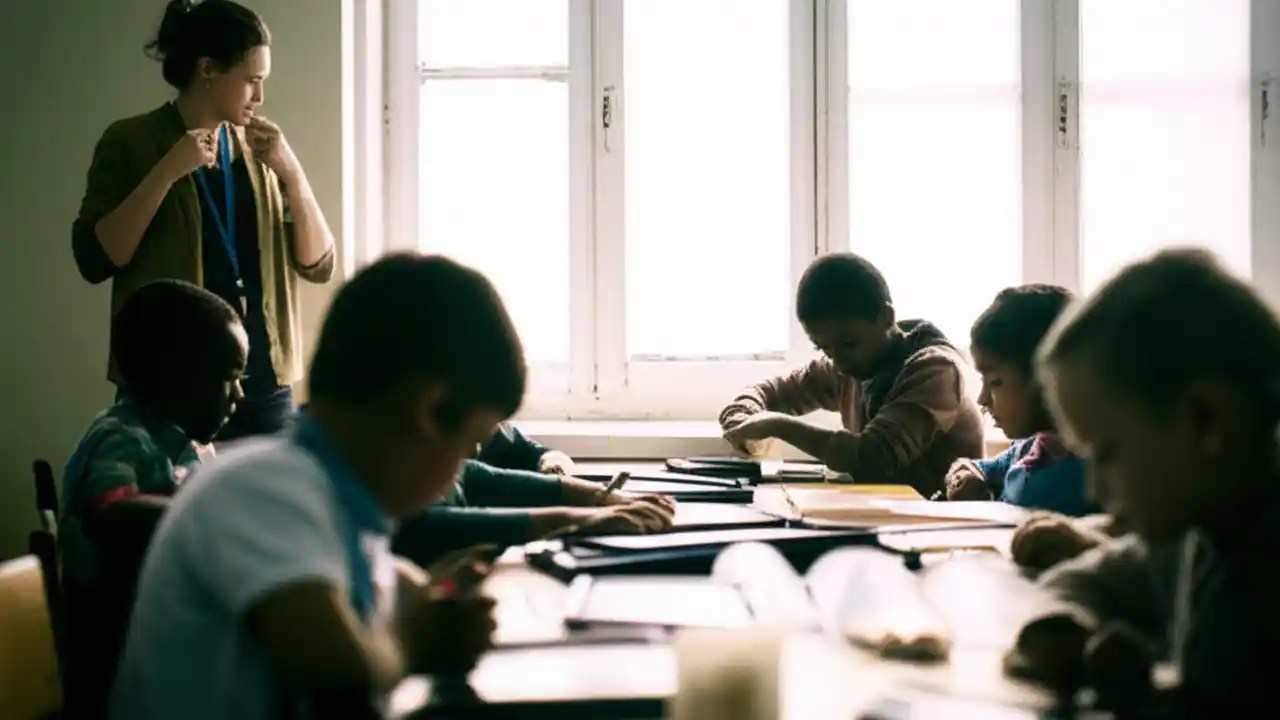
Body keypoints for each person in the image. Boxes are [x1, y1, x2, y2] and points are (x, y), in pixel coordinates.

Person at [110, 255, 519, 719]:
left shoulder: (330, 502)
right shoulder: (263, 488)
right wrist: (416, 638)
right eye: (470, 443)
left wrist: (428, 596)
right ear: (428, 411)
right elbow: (344, 684)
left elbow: (379, 595)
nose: (459, 470)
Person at [1005, 250, 1280, 715]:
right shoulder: (1201, 536)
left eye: (1107, 454)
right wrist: (1062, 628)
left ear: (1205, 419)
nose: (1095, 490)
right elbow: (1084, 579)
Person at [72, 0, 335, 441]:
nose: (261, 96)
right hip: (170, 387)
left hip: (263, 385)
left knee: (264, 507)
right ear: (208, 70)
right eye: (252, 81)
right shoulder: (130, 141)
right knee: (172, 508)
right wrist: (169, 169)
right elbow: (96, 260)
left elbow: (318, 264)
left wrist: (292, 174)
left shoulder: (261, 147)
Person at [60, 280, 247, 718]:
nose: (239, 396)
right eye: (230, 378)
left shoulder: (186, 443)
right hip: (118, 646)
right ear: (174, 376)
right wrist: (205, 515)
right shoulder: (122, 437)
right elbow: (112, 511)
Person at [719, 253, 983, 496]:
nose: (837, 362)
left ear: (886, 318)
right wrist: (741, 417)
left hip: (942, 529)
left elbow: (874, 459)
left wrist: (776, 425)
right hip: (884, 517)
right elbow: (768, 392)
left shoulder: (936, 372)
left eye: (848, 344)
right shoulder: (847, 364)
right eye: (823, 348)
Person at [944, 285, 1091, 515]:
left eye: (995, 382)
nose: (982, 400)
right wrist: (966, 472)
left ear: (1044, 378)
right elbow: (985, 466)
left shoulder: (1081, 474)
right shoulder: (1032, 449)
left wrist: (984, 502)